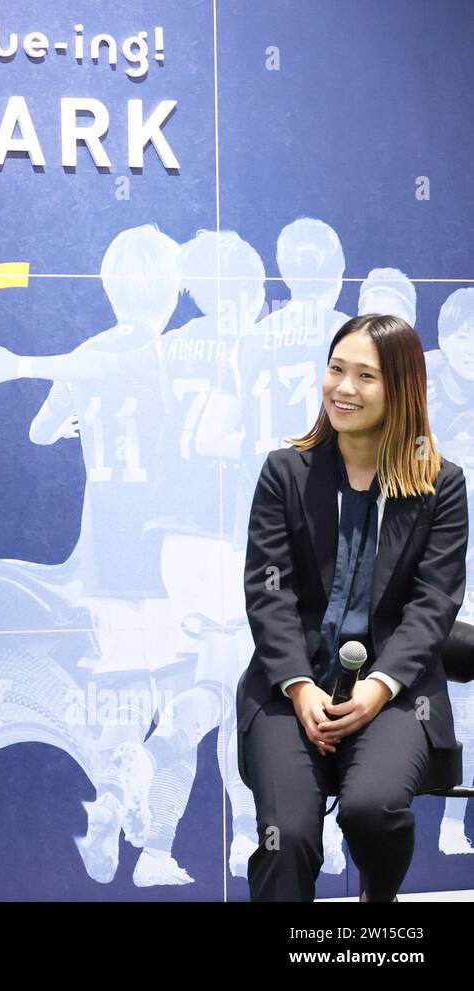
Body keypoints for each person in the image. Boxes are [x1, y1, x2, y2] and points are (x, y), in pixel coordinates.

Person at [237, 313, 468, 901]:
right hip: (290, 687)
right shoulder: (285, 473)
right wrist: (298, 686)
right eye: (336, 369)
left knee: (372, 809)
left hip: (396, 692)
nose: (343, 388)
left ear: (402, 388)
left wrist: (378, 688)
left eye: (365, 376)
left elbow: (433, 603)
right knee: (286, 838)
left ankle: (376, 902)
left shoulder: (441, 486)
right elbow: (269, 592)